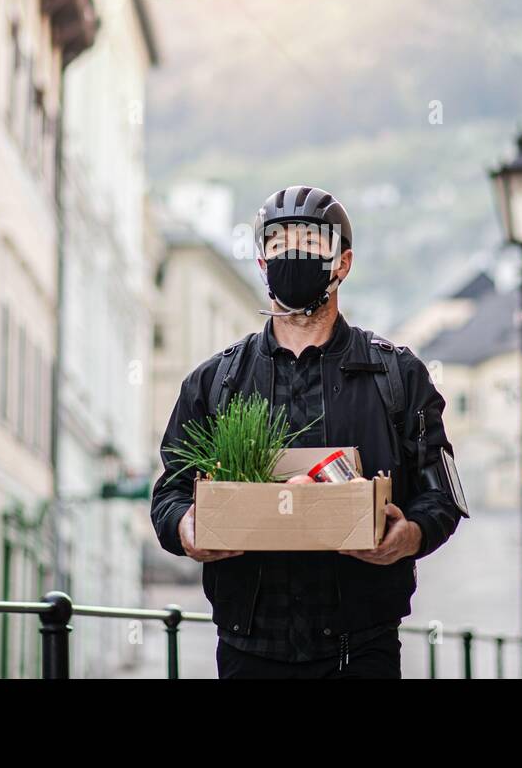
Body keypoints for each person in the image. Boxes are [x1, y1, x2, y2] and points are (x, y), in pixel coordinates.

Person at [150, 185, 468, 678]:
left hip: (361, 651)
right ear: (261, 263)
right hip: (248, 651)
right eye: (279, 245)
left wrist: (409, 535)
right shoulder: (214, 383)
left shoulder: (398, 377)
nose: (293, 254)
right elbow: (169, 493)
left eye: (311, 243)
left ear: (342, 263)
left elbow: (441, 496)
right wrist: (187, 528)